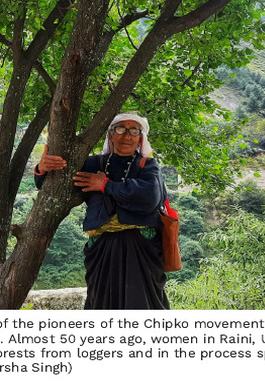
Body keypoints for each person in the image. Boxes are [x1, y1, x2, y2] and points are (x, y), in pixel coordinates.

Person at [34, 113, 170, 310]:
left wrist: (106, 185)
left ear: (141, 138)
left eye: (134, 131)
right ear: (110, 135)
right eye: (121, 129)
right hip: (102, 246)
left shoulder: (147, 165)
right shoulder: (92, 164)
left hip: (140, 246)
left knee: (141, 303)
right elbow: (54, 187)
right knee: (102, 303)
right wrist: (42, 168)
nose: (127, 136)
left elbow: (150, 198)